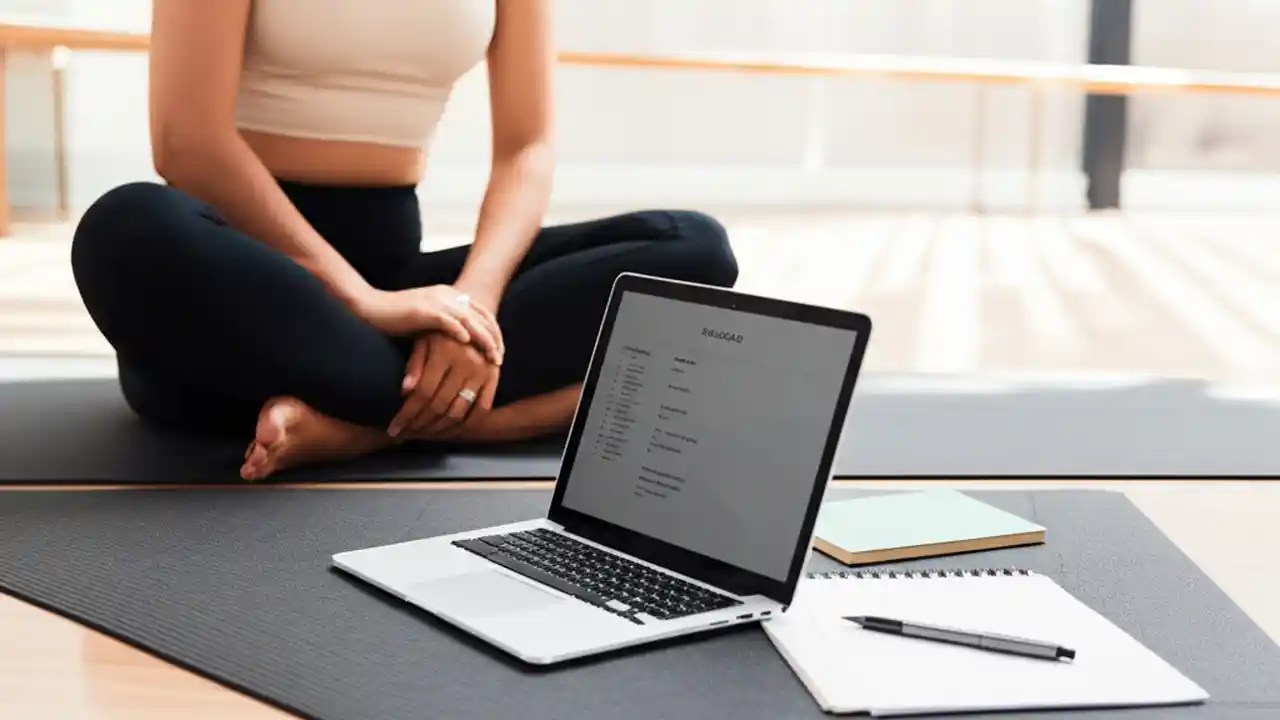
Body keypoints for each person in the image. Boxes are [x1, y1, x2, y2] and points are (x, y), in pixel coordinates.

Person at [70, 1, 737, 481]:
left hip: (384, 293)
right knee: (125, 229)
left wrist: (472, 306)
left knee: (693, 251)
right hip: (244, 288)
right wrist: (361, 304)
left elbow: (527, 148)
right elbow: (189, 143)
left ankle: (360, 423)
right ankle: (475, 416)